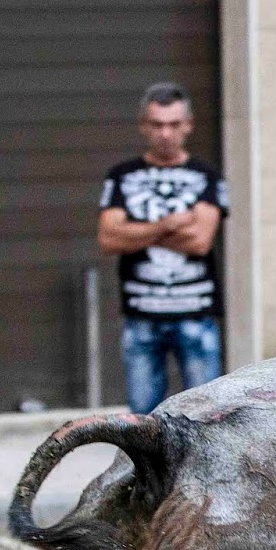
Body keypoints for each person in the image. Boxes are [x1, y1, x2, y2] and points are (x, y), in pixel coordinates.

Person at [98, 82, 228, 414]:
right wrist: (167, 225)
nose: (165, 133)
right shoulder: (122, 176)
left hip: (195, 313)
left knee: (205, 417)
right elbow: (109, 239)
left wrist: (137, 231)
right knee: (142, 417)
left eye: (173, 124)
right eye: (157, 124)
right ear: (144, 126)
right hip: (142, 314)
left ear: (188, 125)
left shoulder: (207, 176)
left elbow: (200, 241)